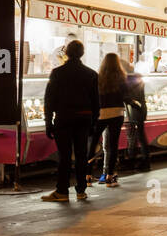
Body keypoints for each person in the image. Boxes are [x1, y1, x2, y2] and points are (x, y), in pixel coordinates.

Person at [41, 40, 100, 202]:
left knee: (64, 156)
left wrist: (48, 122)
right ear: (82, 53)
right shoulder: (91, 74)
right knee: (81, 155)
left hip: (64, 118)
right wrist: (93, 122)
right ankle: (81, 190)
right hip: (84, 119)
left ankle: (62, 191)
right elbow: (96, 102)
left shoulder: (57, 73)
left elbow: (49, 100)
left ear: (66, 53)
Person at [92, 53, 128, 186]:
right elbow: (126, 94)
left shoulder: (98, 77)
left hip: (101, 113)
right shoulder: (121, 77)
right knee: (112, 145)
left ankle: (90, 175)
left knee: (102, 144)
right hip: (117, 113)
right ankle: (109, 175)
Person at [123, 60, 151, 172]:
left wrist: (130, 103)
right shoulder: (137, 77)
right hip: (140, 108)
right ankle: (144, 161)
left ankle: (133, 161)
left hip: (135, 110)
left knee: (134, 136)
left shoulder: (127, 79)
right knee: (139, 135)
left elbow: (127, 96)